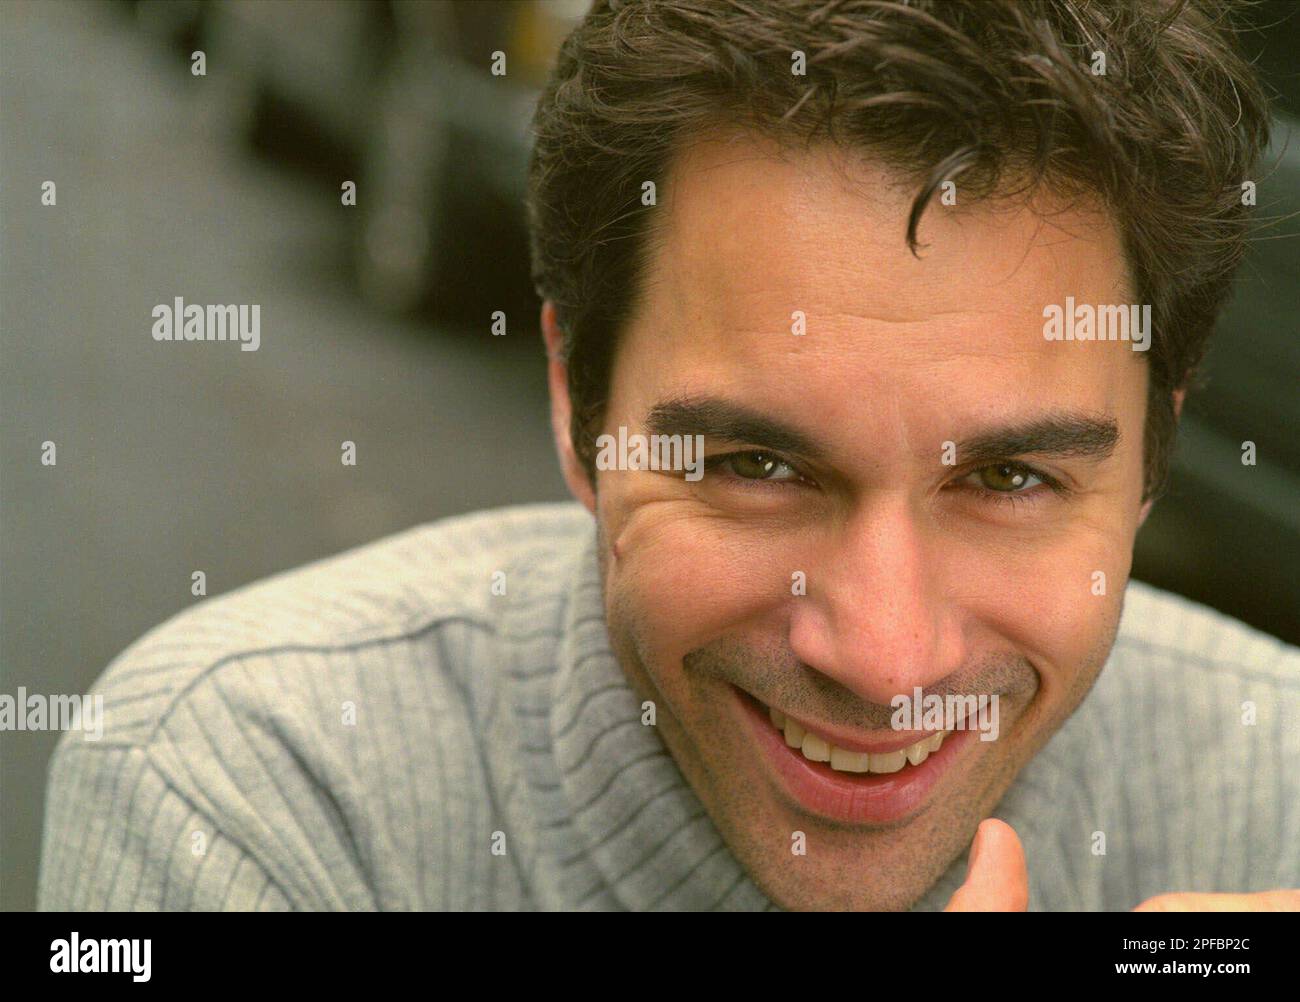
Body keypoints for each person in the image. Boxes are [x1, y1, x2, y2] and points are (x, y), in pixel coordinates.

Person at [39, 0, 1299, 911]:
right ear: (576, 409)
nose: (884, 657)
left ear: (1151, 461)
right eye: (757, 466)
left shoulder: (1274, 783)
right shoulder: (257, 790)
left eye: (1012, 482)